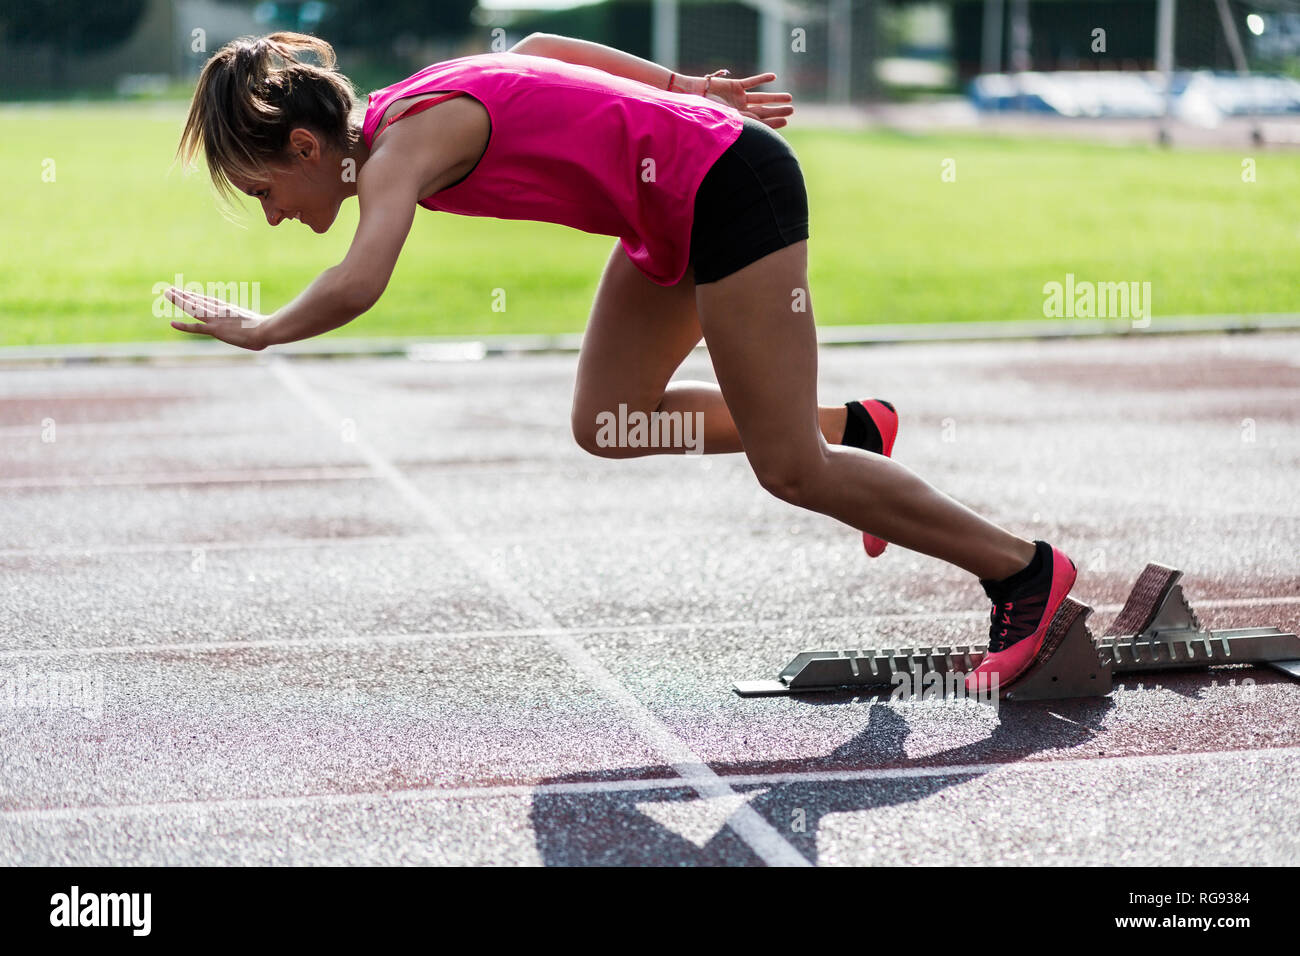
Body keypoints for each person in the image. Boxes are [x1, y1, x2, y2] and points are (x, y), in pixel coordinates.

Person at [169, 31, 1078, 693]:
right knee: (609, 419)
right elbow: (537, 46)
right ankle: (853, 428)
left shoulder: (398, 150)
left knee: (790, 471)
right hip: (667, 210)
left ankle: (1022, 570)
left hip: (729, 187)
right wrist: (686, 84)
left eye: (264, 193)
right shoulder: (411, 101)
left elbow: (361, 282)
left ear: (303, 146)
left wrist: (261, 331)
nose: (275, 215)